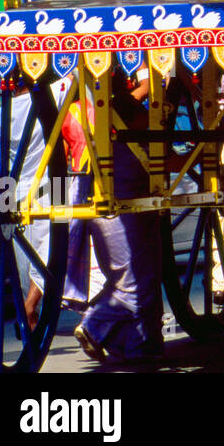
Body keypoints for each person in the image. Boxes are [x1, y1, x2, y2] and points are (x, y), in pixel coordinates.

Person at [74, 79, 164, 364]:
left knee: (127, 279)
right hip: (125, 219)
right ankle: (94, 324)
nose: (145, 116)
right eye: (141, 112)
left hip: (103, 219)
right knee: (136, 284)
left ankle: (135, 347)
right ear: (130, 119)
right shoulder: (138, 147)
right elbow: (172, 164)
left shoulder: (107, 146)